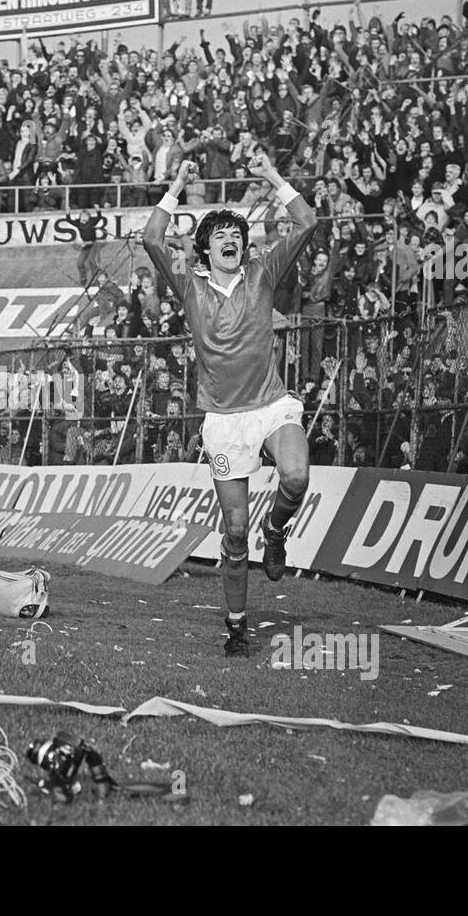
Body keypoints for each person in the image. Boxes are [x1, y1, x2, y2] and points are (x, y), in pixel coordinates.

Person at [143, 155, 318, 657]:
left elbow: (307, 221)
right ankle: (237, 625)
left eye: (236, 234)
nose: (230, 238)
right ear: (206, 247)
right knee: (234, 533)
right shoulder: (190, 287)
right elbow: (152, 238)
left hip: (271, 405)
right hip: (222, 420)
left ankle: (278, 528)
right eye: (219, 232)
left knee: (296, 478)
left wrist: (273, 178)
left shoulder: (263, 274)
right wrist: (176, 185)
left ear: (244, 246)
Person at [66, 207, 107, 287]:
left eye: (86, 216)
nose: (84, 217)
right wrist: (68, 213)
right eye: (82, 215)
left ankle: (98, 279)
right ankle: (83, 279)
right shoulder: (78, 223)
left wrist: (98, 210)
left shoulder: (92, 222)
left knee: (92, 261)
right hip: (85, 245)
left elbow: (99, 217)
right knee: (80, 262)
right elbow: (69, 221)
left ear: (89, 217)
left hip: (93, 244)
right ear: (80, 217)